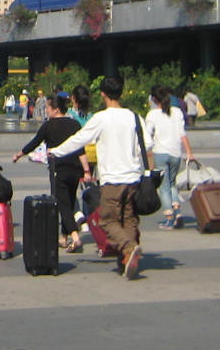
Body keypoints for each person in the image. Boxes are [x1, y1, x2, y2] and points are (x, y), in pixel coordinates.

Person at [49, 75, 149, 279]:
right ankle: (127, 258)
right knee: (128, 219)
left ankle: (129, 248)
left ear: (103, 94)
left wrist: (56, 151)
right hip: (133, 178)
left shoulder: (101, 118)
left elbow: (79, 139)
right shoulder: (134, 117)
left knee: (107, 221)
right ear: (121, 92)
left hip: (112, 179)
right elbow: (148, 145)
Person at [13, 91, 86, 253]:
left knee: (63, 204)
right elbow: (81, 149)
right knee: (70, 198)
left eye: (47, 107)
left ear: (55, 109)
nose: (45, 110)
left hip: (59, 168)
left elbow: (34, 143)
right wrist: (86, 170)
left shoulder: (49, 126)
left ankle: (75, 236)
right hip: (75, 169)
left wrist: (20, 154)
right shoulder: (75, 125)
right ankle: (63, 237)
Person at [146, 86, 194, 230]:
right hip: (176, 153)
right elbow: (182, 134)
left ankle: (169, 218)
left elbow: (148, 135)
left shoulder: (152, 115)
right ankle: (178, 212)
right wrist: (189, 152)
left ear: (154, 99)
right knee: (172, 183)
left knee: (164, 186)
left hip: (160, 152)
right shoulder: (177, 112)